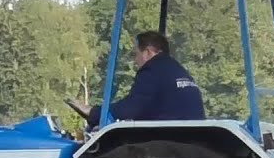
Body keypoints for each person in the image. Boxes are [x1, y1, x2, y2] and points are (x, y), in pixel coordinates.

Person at [73, 30, 206, 127]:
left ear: (148, 52)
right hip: (191, 135)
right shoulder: (178, 70)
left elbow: (131, 107)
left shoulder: (153, 69)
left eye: (136, 54)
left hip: (168, 139)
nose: (135, 60)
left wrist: (95, 113)